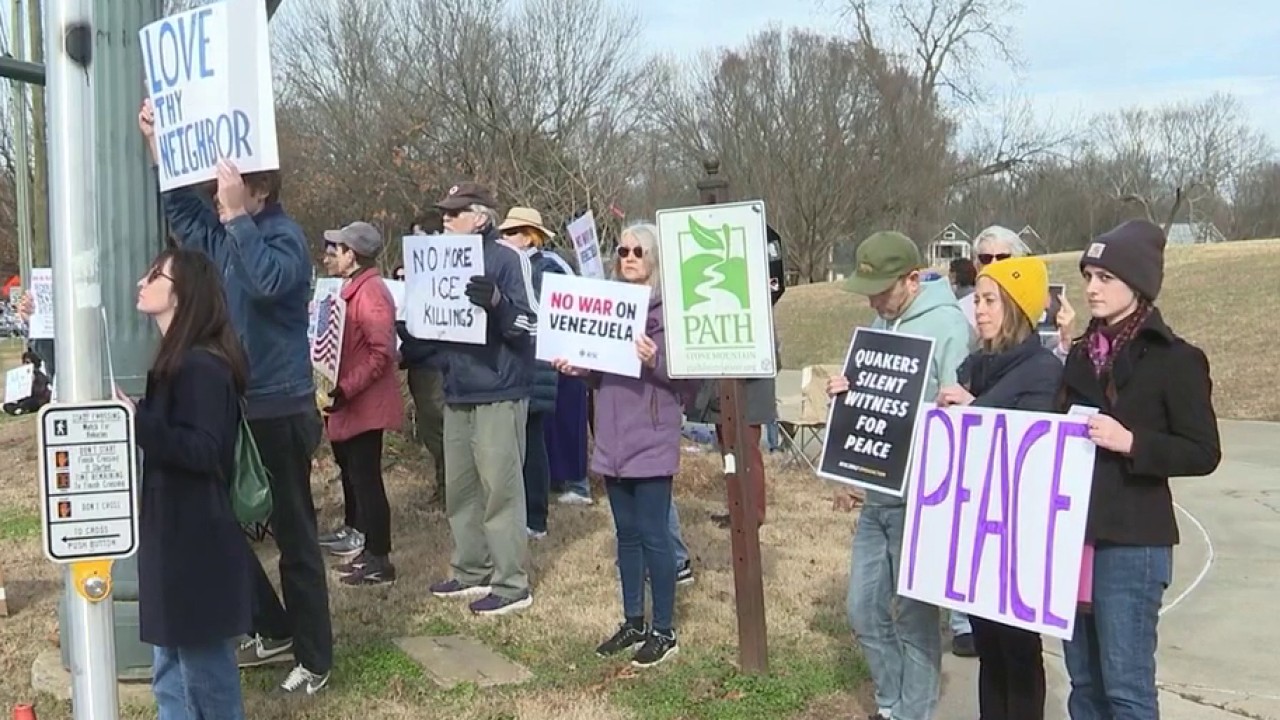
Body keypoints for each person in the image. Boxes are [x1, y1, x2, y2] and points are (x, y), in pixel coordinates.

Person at [138, 100, 332, 694]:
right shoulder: (223, 233)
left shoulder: (283, 237)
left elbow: (269, 282)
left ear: (259, 188)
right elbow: (180, 210)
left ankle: (314, 654)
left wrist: (236, 218)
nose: (216, 191)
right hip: (233, 407)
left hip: (280, 409)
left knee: (294, 536)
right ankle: (269, 624)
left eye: (229, 182)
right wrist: (160, 147)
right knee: (220, 528)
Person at [1059, 220, 1221, 719]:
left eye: (1106, 277)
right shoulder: (1080, 355)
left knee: (1126, 686)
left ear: (1138, 284)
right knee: (1084, 683)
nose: (1091, 288)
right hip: (1074, 537)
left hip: (1134, 542)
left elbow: (1203, 451)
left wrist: (1134, 443)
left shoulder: (1177, 360)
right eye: (1088, 275)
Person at [828, 231, 972, 720]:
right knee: (863, 610)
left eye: (882, 290)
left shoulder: (949, 327)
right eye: (868, 290)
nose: (873, 300)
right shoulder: (880, 321)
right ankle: (892, 702)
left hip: (922, 499)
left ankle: (913, 713)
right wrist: (850, 394)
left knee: (914, 619)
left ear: (913, 279)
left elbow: (963, 412)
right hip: (877, 493)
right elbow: (874, 398)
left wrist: (944, 406)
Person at [400, 182, 538, 615]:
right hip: (457, 386)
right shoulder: (436, 260)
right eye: (444, 212)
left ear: (480, 217)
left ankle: (512, 583)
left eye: (455, 212)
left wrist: (496, 303)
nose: (445, 218)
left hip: (499, 387)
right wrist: (411, 316)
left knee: (500, 488)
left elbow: (530, 326)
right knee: (460, 489)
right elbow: (433, 331)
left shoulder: (508, 259)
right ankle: (470, 569)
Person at [552, 223, 686, 668]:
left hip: (651, 437)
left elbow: (690, 378)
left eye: (639, 251)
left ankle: (664, 630)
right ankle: (633, 620)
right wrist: (577, 368)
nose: (629, 257)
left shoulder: (672, 315)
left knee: (654, 537)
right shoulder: (605, 306)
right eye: (622, 250)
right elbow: (600, 370)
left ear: (654, 260)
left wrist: (657, 360)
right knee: (625, 536)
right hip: (610, 438)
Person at [126, 249, 252, 718]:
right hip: (176, 534)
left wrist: (139, 421)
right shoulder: (179, 362)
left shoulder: (201, 366)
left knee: (203, 674)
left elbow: (203, 450)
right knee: (171, 670)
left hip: (195, 539)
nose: (143, 280)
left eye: (155, 275)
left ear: (184, 294)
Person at [936, 256, 1062, 720]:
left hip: (1019, 539)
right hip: (978, 531)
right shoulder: (977, 363)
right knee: (989, 648)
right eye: (977, 301)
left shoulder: (1043, 370)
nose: (980, 311)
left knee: (1018, 652)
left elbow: (1032, 445)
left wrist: (974, 409)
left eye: (990, 301)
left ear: (1017, 307)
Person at [321, 222, 404, 585]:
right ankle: (370, 554)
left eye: (336, 249)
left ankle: (380, 561)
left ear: (351, 255)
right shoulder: (356, 290)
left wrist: (344, 389)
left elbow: (381, 352)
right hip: (354, 404)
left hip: (363, 404)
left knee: (367, 481)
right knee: (359, 477)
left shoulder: (370, 293)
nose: (329, 255)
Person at [496, 207, 562, 539]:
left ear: (527, 235)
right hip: (520, 364)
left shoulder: (545, 268)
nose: (503, 239)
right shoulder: (520, 267)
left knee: (532, 443)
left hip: (536, 364)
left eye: (510, 233)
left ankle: (536, 517)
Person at [401, 210, 449, 504]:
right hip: (418, 365)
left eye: (420, 238)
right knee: (433, 433)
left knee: (441, 431)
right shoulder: (413, 277)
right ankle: (444, 488)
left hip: (434, 366)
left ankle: (449, 492)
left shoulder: (444, 279)